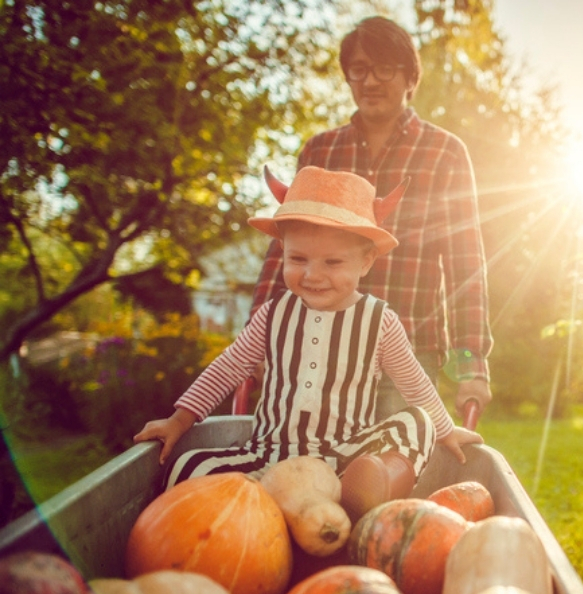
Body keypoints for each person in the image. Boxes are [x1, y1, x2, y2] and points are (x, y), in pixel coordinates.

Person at [133, 165, 483, 520]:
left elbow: (414, 382)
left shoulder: (380, 322)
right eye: (298, 259)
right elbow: (228, 367)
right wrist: (179, 421)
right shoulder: (272, 315)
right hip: (267, 457)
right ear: (282, 250)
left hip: (345, 460)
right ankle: (248, 515)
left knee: (417, 421)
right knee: (188, 465)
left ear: (365, 261)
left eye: (333, 262)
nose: (313, 275)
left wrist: (445, 428)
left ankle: (372, 493)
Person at [249, 15, 493, 422]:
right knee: (310, 469)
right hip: (319, 345)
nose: (370, 80)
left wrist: (472, 365)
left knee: (391, 473)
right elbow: (285, 248)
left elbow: (465, 260)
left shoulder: (444, 152)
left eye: (385, 68)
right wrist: (259, 336)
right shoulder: (320, 152)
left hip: (408, 354)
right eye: (359, 70)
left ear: (410, 77)